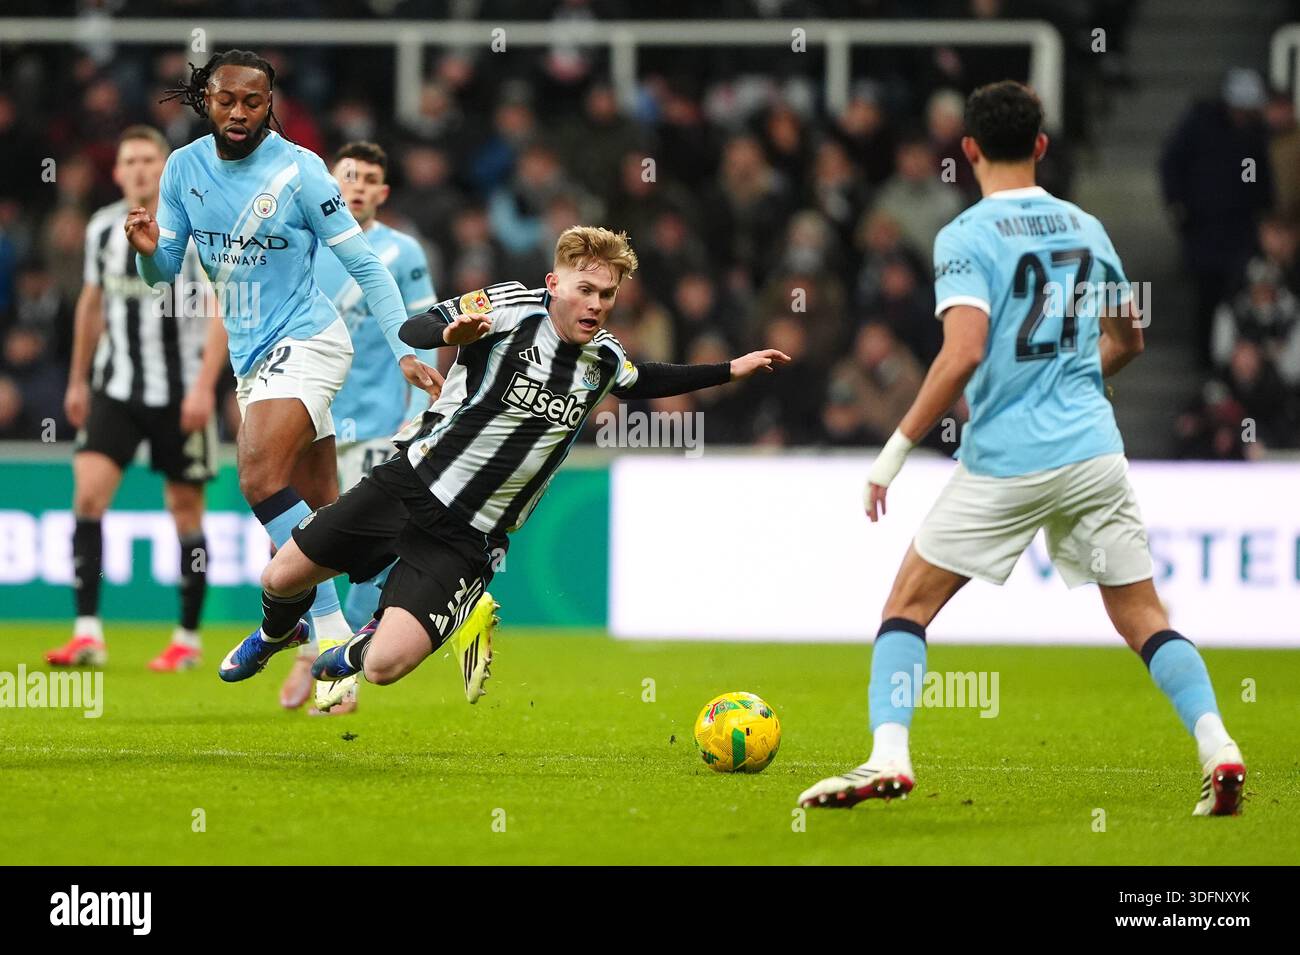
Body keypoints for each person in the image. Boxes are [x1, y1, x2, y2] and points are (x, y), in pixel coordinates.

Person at [799, 81, 1246, 817]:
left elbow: (963, 351)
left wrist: (894, 451)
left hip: (1007, 460)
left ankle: (888, 754)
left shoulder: (965, 235)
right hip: (1094, 453)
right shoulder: (1085, 227)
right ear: (1041, 146)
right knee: (1143, 616)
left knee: (906, 604)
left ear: (967, 149)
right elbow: (1128, 339)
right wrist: (1071, 376)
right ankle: (1217, 744)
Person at [223, 226, 789, 709]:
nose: (596, 305)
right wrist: (451, 333)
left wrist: (731, 369)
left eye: (607, 295)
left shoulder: (605, 359)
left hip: (470, 536)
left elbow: (649, 379)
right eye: (585, 290)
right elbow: (414, 329)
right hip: (409, 484)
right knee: (279, 578)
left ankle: (376, 637)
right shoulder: (508, 307)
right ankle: (278, 632)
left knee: (382, 668)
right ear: (554, 284)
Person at [123, 50, 442, 681]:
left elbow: (366, 265)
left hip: (309, 340)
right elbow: (166, 273)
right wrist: (147, 253)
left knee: (258, 478)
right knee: (323, 507)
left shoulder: (301, 171)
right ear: (204, 100)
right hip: (252, 355)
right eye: (225, 100)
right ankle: (336, 620)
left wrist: (406, 346)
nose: (238, 113)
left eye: (252, 101)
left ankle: (352, 606)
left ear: (272, 105)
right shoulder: (182, 168)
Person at [45, 125, 224, 672]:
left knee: (185, 511)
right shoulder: (102, 229)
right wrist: (78, 381)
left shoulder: (193, 230)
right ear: (118, 172)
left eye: (150, 159)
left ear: (164, 167)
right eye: (131, 161)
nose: (140, 169)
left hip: (182, 393)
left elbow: (220, 311)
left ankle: (187, 640)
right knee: (88, 499)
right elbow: (91, 308)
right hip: (116, 389)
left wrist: (204, 388)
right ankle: (87, 633)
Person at [276, 140, 442, 714]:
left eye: (371, 179)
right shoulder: (303, 241)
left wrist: (422, 410)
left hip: (376, 426)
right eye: (350, 176)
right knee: (308, 543)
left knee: (372, 548)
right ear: (331, 182)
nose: (360, 186)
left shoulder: (401, 252)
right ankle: (314, 649)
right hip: (309, 418)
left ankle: (335, 675)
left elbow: (425, 331)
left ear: (384, 192)